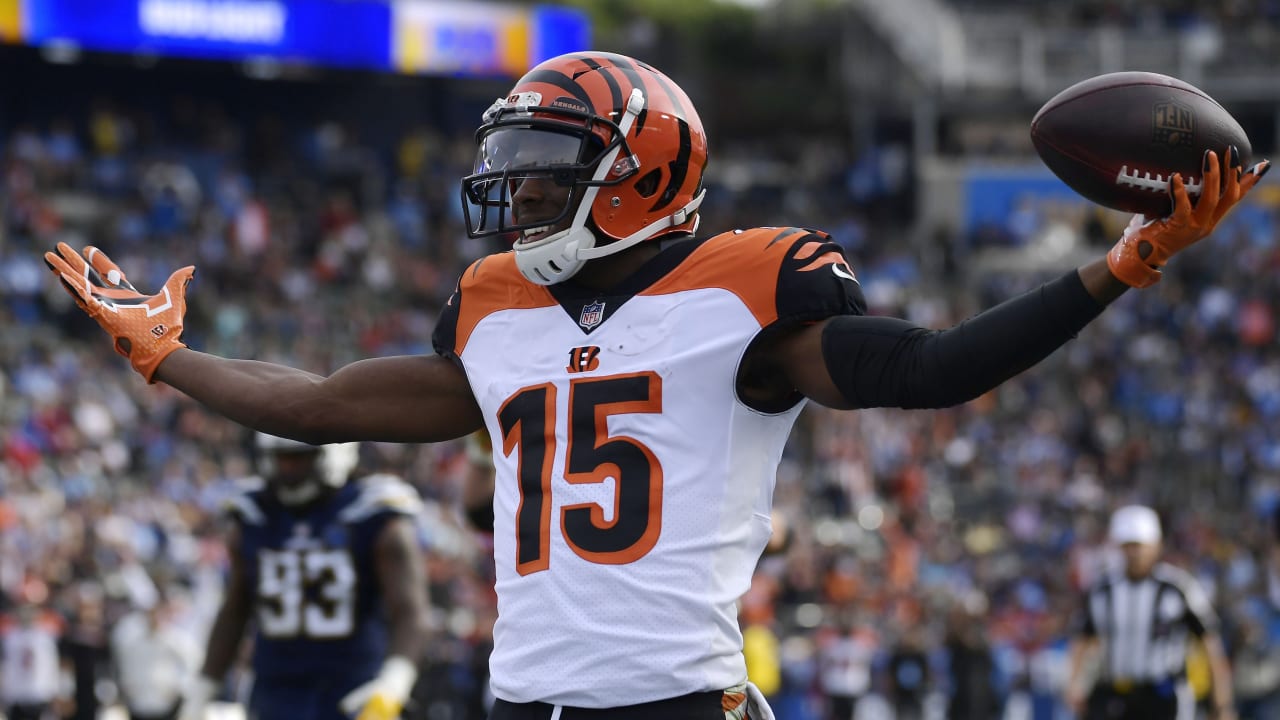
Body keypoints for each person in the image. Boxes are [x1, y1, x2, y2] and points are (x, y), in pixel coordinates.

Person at [44, 51, 1269, 719]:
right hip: (523, 705)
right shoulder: (497, 309)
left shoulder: (747, 290)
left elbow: (930, 371)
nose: (514, 194)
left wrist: (1123, 265)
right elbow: (315, 403)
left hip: (677, 712)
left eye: (542, 170)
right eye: (510, 169)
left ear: (634, 177)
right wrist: (166, 357)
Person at [176, 433, 431, 720]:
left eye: (298, 459)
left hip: (355, 688)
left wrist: (394, 682)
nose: (287, 470)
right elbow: (235, 609)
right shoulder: (254, 513)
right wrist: (203, 688)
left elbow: (411, 612)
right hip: (275, 691)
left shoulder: (374, 512)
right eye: (280, 459)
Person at [1064, 505, 1236, 720]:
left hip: (1163, 694)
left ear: (1156, 545)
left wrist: (1222, 702)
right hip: (1114, 691)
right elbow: (1082, 638)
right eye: (1128, 545)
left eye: (1140, 545)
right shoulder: (1102, 590)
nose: (1134, 553)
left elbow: (1210, 642)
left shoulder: (1178, 588)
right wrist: (1073, 685)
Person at [111, 593, 201, 720]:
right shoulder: (132, 640)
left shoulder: (173, 638)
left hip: (165, 703)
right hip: (138, 703)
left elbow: (193, 660)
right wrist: (127, 686)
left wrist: (181, 687)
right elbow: (123, 663)